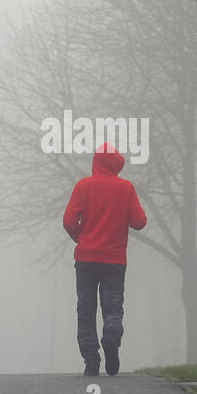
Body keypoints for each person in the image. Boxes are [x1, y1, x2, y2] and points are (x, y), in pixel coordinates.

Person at [62, 142, 147, 376]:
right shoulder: (126, 188)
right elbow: (139, 221)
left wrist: (83, 237)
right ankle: (111, 336)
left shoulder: (83, 186)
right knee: (112, 306)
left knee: (86, 309)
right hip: (114, 261)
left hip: (86, 260)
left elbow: (69, 221)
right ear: (116, 163)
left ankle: (91, 361)